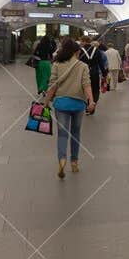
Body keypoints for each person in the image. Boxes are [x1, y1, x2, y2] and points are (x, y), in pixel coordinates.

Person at [41, 38, 93, 178]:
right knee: (75, 134)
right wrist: (91, 101)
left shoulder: (57, 64)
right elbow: (86, 84)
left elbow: (53, 85)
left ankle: (62, 161)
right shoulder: (82, 66)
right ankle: (74, 162)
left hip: (61, 104)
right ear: (76, 52)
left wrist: (45, 102)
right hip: (78, 104)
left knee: (62, 135)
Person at [32, 31, 56, 97]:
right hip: (46, 63)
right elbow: (51, 55)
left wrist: (38, 58)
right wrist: (51, 60)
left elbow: (34, 54)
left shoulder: (39, 45)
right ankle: (44, 89)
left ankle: (39, 88)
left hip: (39, 63)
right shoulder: (49, 46)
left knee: (39, 76)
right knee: (46, 77)